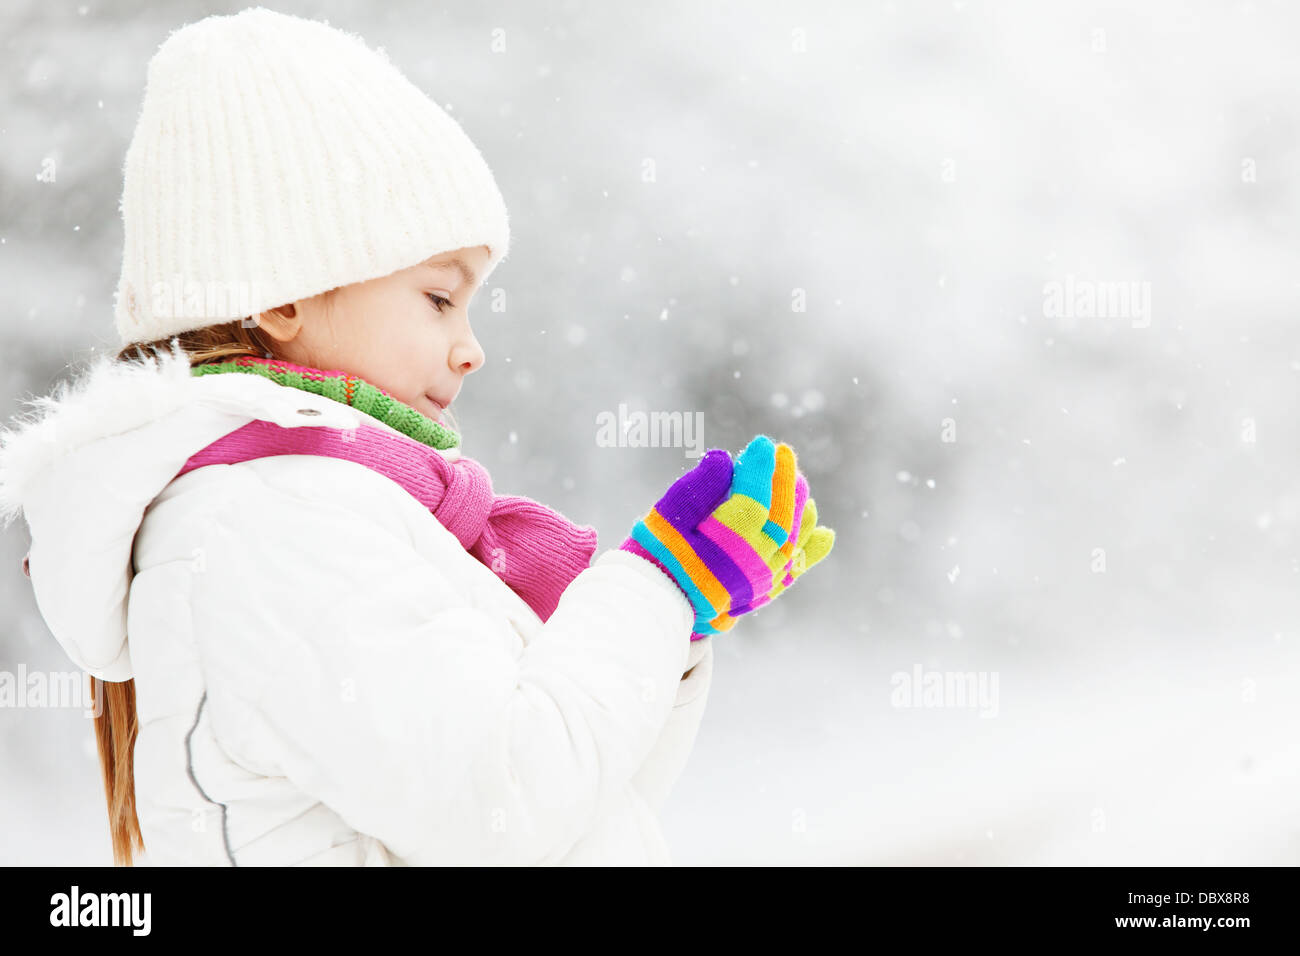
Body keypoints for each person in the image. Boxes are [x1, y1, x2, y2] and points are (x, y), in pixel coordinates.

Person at [0, 7, 832, 866]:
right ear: (282, 296)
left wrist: (679, 618)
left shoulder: (334, 507)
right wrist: (653, 586)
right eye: (439, 298)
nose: (472, 350)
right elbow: (507, 805)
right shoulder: (267, 525)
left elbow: (581, 812)